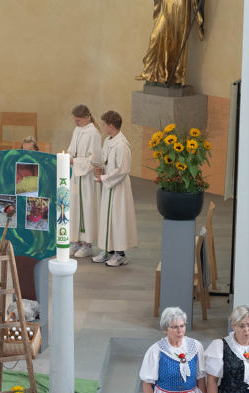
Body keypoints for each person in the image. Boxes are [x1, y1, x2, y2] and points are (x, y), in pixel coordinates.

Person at [91, 110, 138, 267]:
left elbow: (122, 170)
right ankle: (108, 250)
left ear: (111, 126)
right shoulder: (108, 141)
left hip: (118, 188)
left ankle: (120, 254)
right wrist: (100, 169)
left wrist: (103, 178)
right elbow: (106, 161)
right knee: (107, 218)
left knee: (118, 219)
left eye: (104, 124)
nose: (103, 127)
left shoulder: (122, 145)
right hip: (108, 186)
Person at [140, 0, 205, 85]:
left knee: (176, 39)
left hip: (180, 5)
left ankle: (174, 77)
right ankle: (154, 74)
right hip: (165, 5)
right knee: (155, 37)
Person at [66, 104, 102, 259]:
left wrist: (74, 161)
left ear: (87, 117)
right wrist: (67, 156)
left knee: (86, 208)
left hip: (87, 178)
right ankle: (76, 241)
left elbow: (93, 159)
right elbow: (71, 150)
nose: (76, 123)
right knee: (75, 208)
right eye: (75, 121)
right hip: (76, 176)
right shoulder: (77, 130)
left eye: (78, 120)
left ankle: (87, 244)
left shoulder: (94, 133)